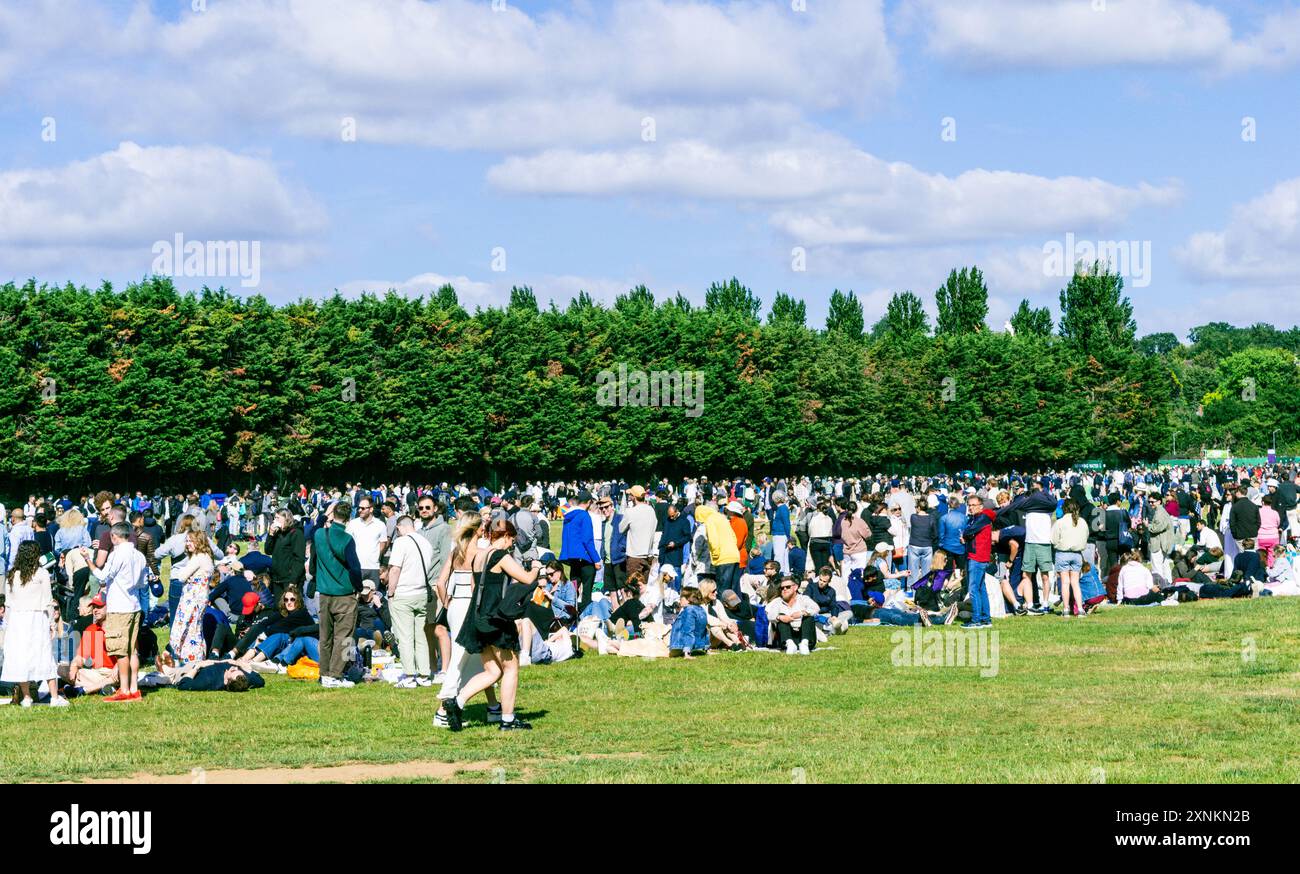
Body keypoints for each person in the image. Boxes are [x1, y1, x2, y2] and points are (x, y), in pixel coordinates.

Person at [442, 519, 541, 732]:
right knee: (511, 668)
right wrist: (536, 568)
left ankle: (456, 702)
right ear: (505, 537)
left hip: (478, 616)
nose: (511, 545)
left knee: (492, 671)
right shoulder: (500, 556)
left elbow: (473, 585)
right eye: (511, 541)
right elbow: (525, 579)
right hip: (496, 619)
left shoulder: (479, 555)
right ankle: (507, 719)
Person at [433, 512, 500, 728]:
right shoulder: (479, 553)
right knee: (461, 658)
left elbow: (441, 584)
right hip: (470, 607)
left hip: (454, 606)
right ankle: (443, 710)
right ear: (477, 529)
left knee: (480, 655)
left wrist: (446, 604)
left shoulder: (456, 553)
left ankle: (493, 706)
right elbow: (475, 586)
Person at [81, 521, 148, 702]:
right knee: (132, 649)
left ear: (114, 537)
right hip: (135, 605)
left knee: (120, 651)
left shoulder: (117, 554)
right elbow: (143, 583)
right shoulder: (139, 556)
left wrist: (88, 559)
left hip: (119, 607)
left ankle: (124, 690)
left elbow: (102, 575)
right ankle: (134, 688)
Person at [1, 542, 65, 707]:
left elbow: (8, 604)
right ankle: (54, 697)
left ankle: (27, 697)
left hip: (16, 620)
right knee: (44, 655)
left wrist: (6, 626)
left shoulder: (11, 575)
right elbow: (48, 601)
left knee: (22, 657)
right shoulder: (42, 573)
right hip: (36, 618)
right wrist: (52, 623)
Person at [310, 502, 364, 688]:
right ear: (349, 519)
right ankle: (335, 675)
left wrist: (325, 515)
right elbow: (355, 568)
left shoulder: (319, 534)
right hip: (344, 593)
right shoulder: (347, 539)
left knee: (325, 636)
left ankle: (325, 673)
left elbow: (316, 526)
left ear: (333, 515)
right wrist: (359, 587)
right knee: (344, 637)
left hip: (324, 593)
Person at [384, 515, 434, 687]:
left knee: (404, 636)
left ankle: (409, 675)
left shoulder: (401, 542)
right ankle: (424, 674)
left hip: (403, 593)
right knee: (420, 636)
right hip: (421, 593)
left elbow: (395, 569)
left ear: (399, 527)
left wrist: (390, 592)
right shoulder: (425, 542)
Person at [168, 529, 217, 663]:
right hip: (199, 596)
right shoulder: (206, 556)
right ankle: (192, 657)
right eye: (187, 540)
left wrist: (186, 576)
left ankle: (176, 655)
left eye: (191, 541)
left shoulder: (198, 557)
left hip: (192, 597)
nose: (187, 544)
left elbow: (181, 576)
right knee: (194, 628)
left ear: (198, 541)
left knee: (182, 625)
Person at [558, 490, 601, 613]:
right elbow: (587, 540)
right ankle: (585, 616)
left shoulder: (568, 516)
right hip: (585, 559)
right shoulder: (584, 516)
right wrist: (596, 559)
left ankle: (569, 614)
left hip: (572, 559)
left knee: (573, 590)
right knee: (587, 592)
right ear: (588, 502)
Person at [1051, 499, 1088, 618]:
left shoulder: (1060, 522)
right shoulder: (1082, 522)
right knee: (1075, 583)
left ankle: (1066, 609)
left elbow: (1053, 539)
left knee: (1065, 582)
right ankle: (1080, 609)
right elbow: (1086, 535)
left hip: (1063, 553)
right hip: (1077, 554)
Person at [769, 574, 820, 655]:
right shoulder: (778, 601)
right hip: (787, 637)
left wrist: (802, 613)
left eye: (788, 587)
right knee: (781, 617)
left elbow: (816, 608)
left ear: (795, 587)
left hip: (804, 635)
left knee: (808, 617)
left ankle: (804, 644)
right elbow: (770, 615)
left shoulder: (804, 598)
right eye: (782, 588)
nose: (784, 589)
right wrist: (780, 617)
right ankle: (790, 644)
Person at [345, 496, 388, 591]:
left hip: (373, 567)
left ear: (371, 509)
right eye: (359, 508)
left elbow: (383, 544)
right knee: (355, 598)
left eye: (363, 508)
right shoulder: (353, 524)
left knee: (373, 599)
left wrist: (376, 557)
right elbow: (346, 542)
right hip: (356, 567)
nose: (360, 510)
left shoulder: (380, 525)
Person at [264, 510, 306, 599]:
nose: (275, 520)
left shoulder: (296, 533)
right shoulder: (277, 533)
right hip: (277, 578)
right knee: (279, 607)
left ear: (286, 519)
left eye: (278, 518)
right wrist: (271, 534)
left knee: (292, 607)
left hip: (289, 578)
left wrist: (293, 580)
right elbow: (268, 551)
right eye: (274, 518)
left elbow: (299, 559)